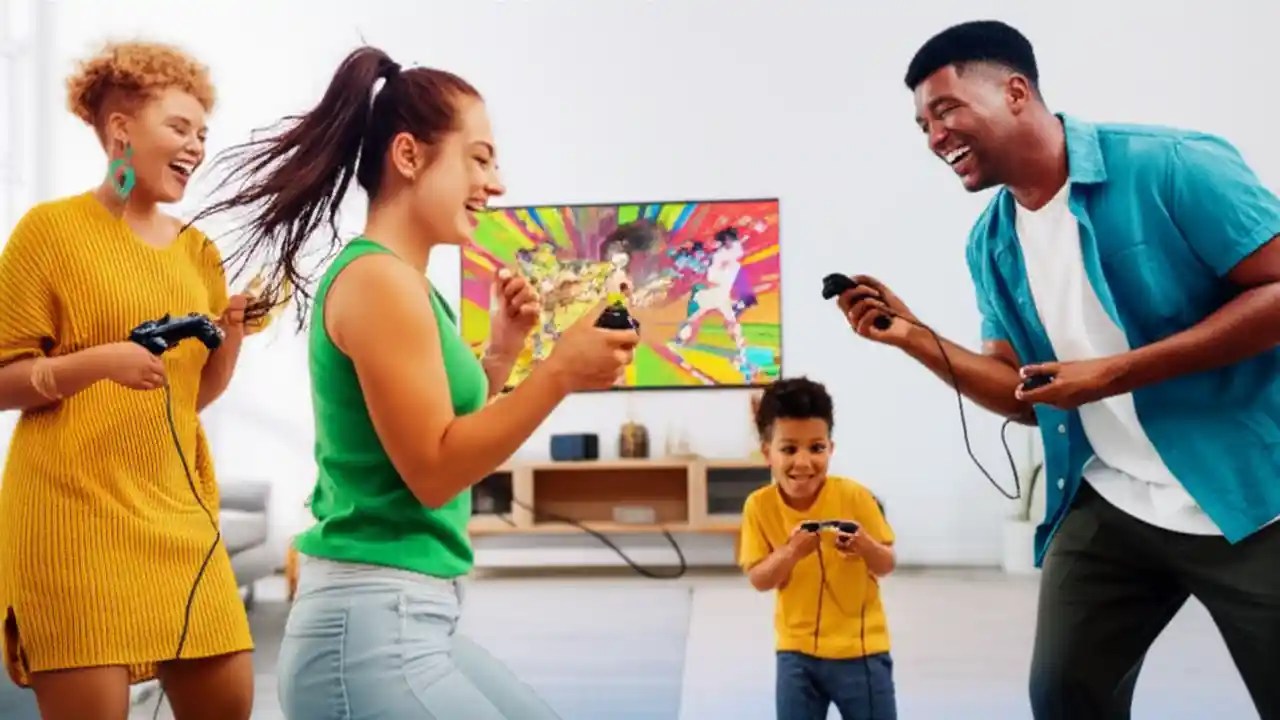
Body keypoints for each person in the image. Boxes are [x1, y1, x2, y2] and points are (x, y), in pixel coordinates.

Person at [837, 19, 1280, 719]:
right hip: (1114, 501)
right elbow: (1023, 393)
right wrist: (914, 338)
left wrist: (1114, 374)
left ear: (1016, 92)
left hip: (1256, 499)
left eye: (946, 110)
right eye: (922, 125)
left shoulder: (1172, 165)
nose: (934, 138)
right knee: (1065, 698)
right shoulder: (992, 245)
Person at [190, 46, 639, 719]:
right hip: (369, 629)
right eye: (480, 158)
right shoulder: (377, 283)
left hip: (413, 617)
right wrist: (558, 373)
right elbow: (433, 470)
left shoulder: (407, 287)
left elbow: (439, 433)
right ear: (408, 156)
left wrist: (502, 356)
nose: (497, 182)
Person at [0, 41, 255, 720]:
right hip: (71, 515)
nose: (196, 147)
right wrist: (97, 363)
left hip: (175, 511)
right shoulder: (49, 233)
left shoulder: (199, 251)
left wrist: (230, 331)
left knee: (228, 700)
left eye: (202, 133)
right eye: (179, 128)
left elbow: (189, 396)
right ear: (120, 131)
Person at [738, 377, 898, 720]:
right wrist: (791, 552)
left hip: (863, 651)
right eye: (789, 449)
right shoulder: (758, 506)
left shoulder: (855, 496)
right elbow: (759, 579)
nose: (804, 462)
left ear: (830, 447)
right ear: (768, 453)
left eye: (816, 447)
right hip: (796, 654)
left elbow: (885, 563)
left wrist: (864, 546)